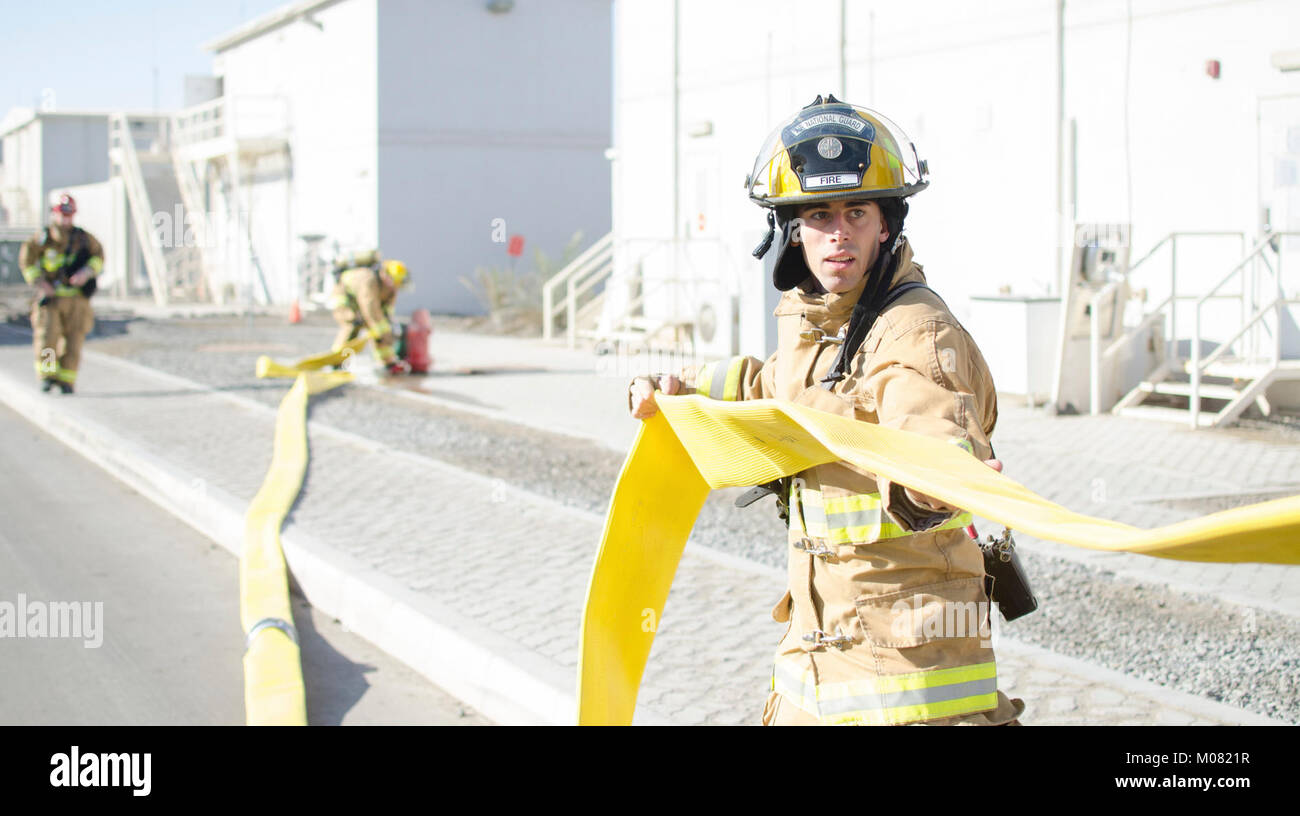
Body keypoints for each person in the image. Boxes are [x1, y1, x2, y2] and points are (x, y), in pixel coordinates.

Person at [629, 96, 1024, 725]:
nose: (838, 232)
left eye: (857, 212)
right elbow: (780, 392)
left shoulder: (912, 331)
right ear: (792, 229)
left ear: (886, 225)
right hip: (819, 659)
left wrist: (936, 478)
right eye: (819, 214)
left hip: (909, 681)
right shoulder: (817, 322)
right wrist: (686, 389)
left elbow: (926, 416)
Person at [19, 193, 103, 394]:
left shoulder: (83, 238)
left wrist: (87, 272)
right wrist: (40, 282)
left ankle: (67, 380)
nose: (66, 219)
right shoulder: (43, 238)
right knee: (48, 340)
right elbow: (27, 261)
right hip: (52, 298)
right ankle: (48, 377)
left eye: (69, 215)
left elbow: (99, 256)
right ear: (54, 214)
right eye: (62, 214)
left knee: (74, 341)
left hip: (76, 299)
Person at [327, 252, 411, 375]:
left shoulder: (390, 287)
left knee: (379, 329)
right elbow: (370, 309)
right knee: (352, 326)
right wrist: (382, 330)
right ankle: (337, 360)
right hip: (345, 301)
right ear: (386, 276)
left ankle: (387, 361)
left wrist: (388, 326)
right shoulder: (368, 280)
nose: (396, 287)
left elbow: (386, 311)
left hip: (362, 302)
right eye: (395, 283)